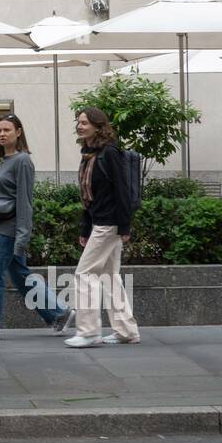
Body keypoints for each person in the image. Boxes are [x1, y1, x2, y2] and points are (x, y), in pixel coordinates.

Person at [0, 114, 72, 340]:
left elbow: (25, 202)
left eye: (7, 130)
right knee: (21, 276)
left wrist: (22, 237)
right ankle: (59, 313)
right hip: (2, 226)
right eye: (0, 131)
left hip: (10, 230)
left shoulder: (22, 161)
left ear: (19, 132)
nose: (2, 134)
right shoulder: (6, 160)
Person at [65, 107, 141, 348]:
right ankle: (126, 330)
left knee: (84, 273)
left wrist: (124, 225)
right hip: (100, 222)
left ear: (98, 126)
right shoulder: (89, 153)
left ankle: (88, 332)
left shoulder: (110, 153)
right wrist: (84, 229)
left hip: (109, 224)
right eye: (78, 122)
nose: (80, 126)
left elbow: (122, 190)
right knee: (109, 277)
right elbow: (89, 197)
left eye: (85, 123)